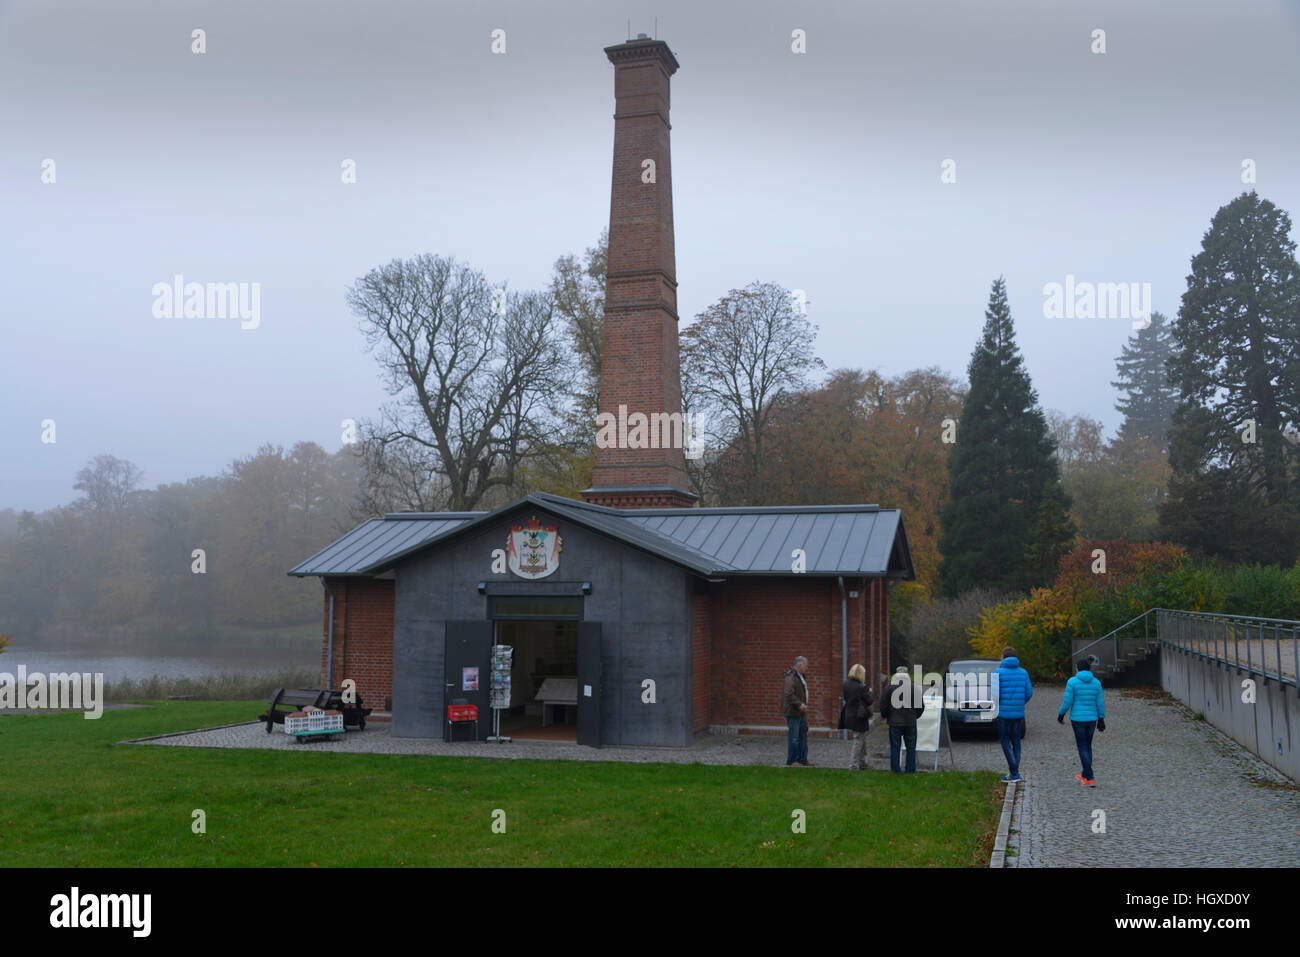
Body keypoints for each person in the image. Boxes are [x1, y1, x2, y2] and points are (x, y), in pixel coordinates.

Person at [1058, 657, 1106, 787]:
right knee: (1088, 746)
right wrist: (1101, 719)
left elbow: (1068, 701)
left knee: (1082, 747)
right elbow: (1100, 703)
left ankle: (1089, 777)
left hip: (1078, 719)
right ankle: (1085, 773)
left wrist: (1061, 714)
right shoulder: (1096, 683)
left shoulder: (1072, 682)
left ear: (1077, 669)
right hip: (1092, 719)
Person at [992, 645, 1033, 783]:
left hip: (1004, 714)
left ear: (1003, 657)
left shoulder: (997, 672)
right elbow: (1029, 693)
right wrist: (1020, 702)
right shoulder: (1023, 672)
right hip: (1018, 713)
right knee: (1016, 741)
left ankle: (1014, 773)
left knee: (1005, 741)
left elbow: (994, 694)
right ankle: (1014, 772)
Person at [879, 669, 924, 773]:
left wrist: (886, 716)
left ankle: (895, 769)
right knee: (911, 748)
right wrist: (915, 716)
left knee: (895, 747)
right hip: (910, 722)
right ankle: (910, 769)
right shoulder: (914, 688)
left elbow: (883, 705)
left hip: (894, 722)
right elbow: (921, 706)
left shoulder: (889, 688)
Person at [839, 663, 875, 770]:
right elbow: (869, 701)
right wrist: (870, 692)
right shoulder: (861, 687)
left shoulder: (846, 684)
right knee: (859, 740)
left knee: (862, 739)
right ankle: (854, 765)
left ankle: (862, 762)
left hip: (849, 714)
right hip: (859, 715)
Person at [781, 656, 812, 767]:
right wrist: (799, 704)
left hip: (801, 711)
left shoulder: (800, 676)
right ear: (799, 665)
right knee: (794, 737)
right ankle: (792, 761)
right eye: (806, 666)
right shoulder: (791, 676)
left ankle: (802, 759)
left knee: (802, 736)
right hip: (793, 711)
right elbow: (788, 694)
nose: (807, 668)